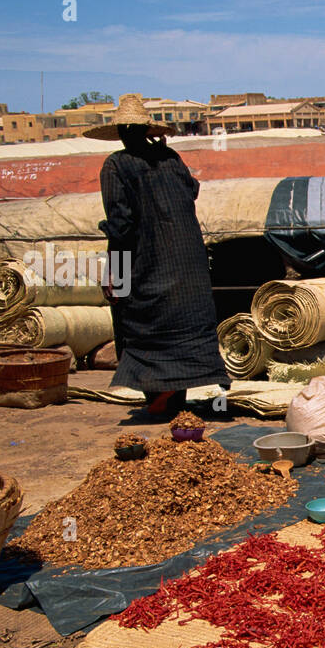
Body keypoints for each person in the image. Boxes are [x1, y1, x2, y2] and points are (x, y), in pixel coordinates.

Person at [86, 93, 228, 416]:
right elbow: (192, 190)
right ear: (148, 130)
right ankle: (172, 401)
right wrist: (163, 152)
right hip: (188, 265)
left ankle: (161, 402)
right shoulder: (171, 159)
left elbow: (120, 227)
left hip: (149, 264)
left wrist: (115, 275)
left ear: (122, 132)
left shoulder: (116, 165)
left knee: (136, 322)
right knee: (184, 330)